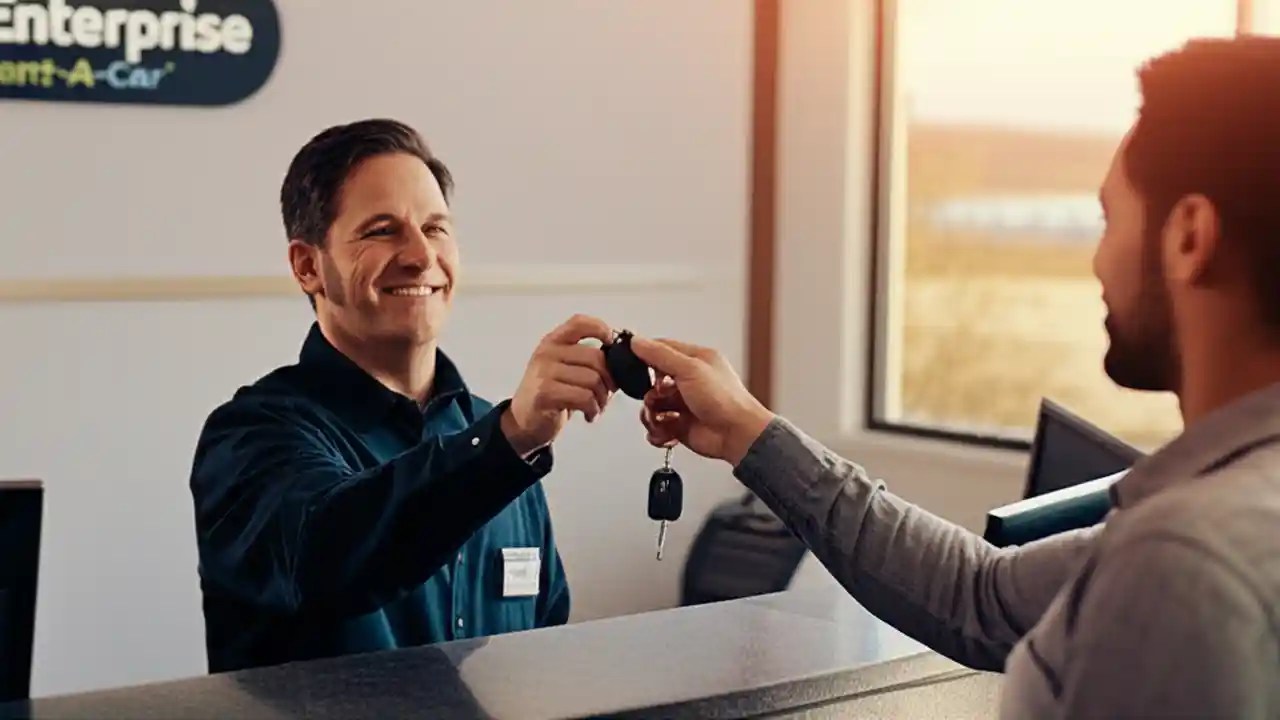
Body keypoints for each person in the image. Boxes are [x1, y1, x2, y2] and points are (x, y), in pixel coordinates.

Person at [632, 36, 1280, 718]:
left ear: (1188, 236)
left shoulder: (1178, 565)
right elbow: (981, 595)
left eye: (1109, 218)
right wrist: (749, 433)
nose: (1096, 262)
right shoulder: (1227, 508)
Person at [188, 119, 618, 673]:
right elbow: (330, 555)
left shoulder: (504, 439)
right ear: (307, 266)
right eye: (382, 230)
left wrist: (508, 441)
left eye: (436, 229)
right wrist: (507, 442)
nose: (420, 256)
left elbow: (544, 653)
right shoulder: (250, 436)